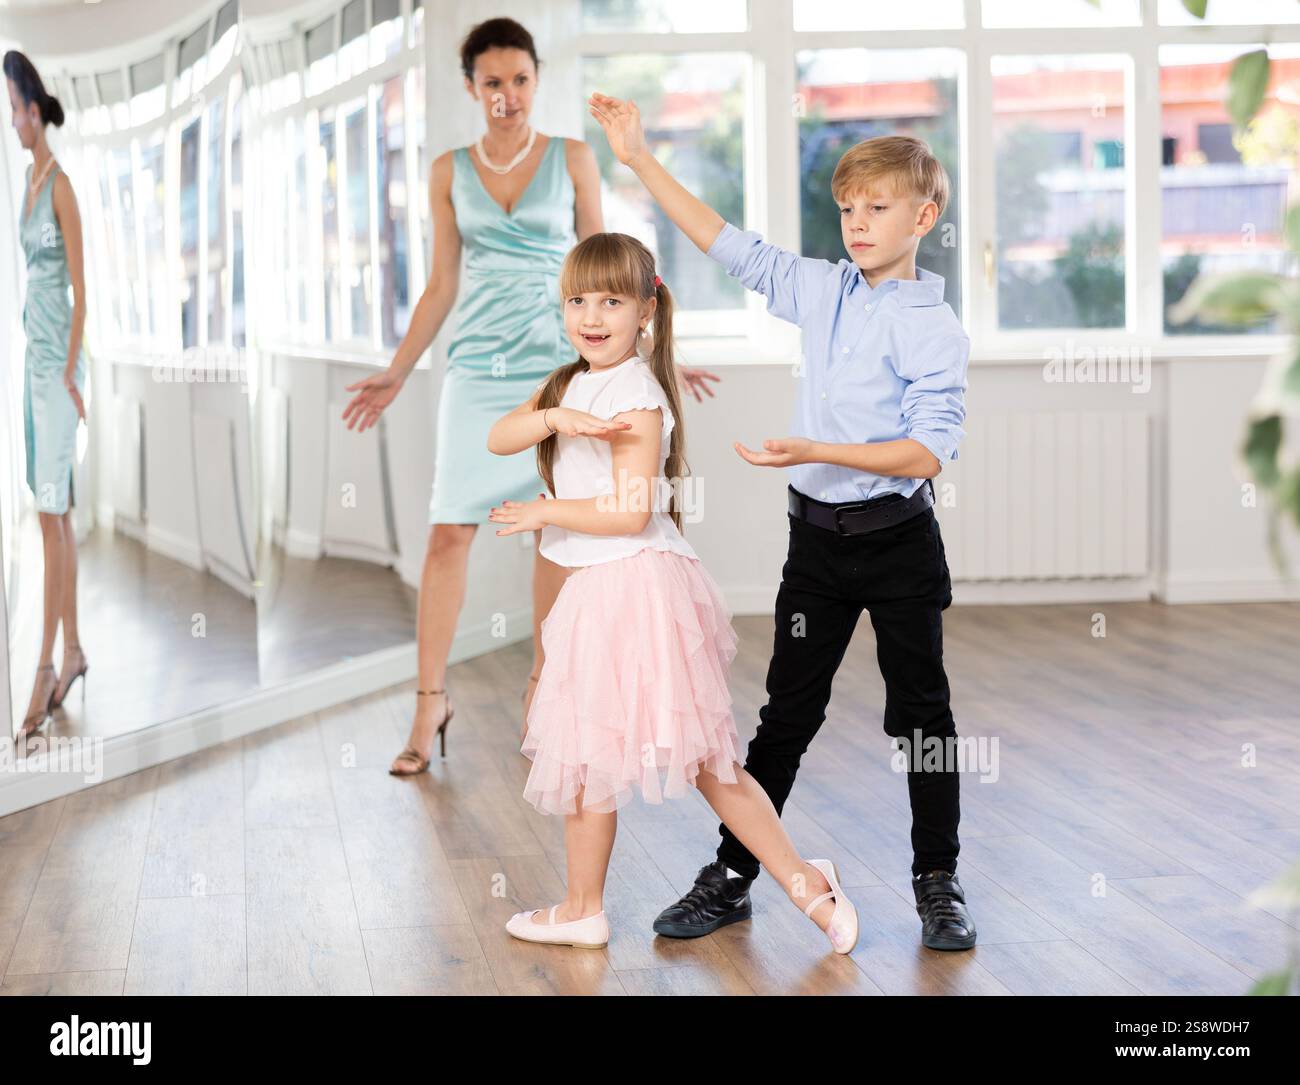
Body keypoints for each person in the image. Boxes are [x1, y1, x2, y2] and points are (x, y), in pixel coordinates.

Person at [588, 92, 978, 950]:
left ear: (924, 217)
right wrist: (639, 158)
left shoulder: (935, 328)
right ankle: (731, 876)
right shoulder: (822, 288)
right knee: (785, 716)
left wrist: (816, 448)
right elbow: (726, 243)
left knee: (924, 718)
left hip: (899, 543)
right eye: (847, 208)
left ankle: (938, 881)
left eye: (877, 208)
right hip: (817, 547)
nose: (857, 223)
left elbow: (925, 453)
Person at [338, 18, 718, 774]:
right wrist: (397, 368)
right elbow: (441, 282)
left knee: (556, 530)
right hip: (477, 368)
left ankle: (544, 688)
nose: (507, 96)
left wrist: (658, 344)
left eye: (519, 80)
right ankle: (428, 700)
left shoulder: (572, 157)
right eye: (492, 83)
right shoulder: (447, 171)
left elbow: (606, 267)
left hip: (555, 365)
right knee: (449, 531)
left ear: (536, 80)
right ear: (471, 88)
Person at [486, 232, 857, 952]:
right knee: (587, 753)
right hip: (600, 589)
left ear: (645, 310)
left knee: (707, 761)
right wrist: (553, 417)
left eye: (611, 301)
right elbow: (501, 436)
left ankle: (807, 882)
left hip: (637, 588)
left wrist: (545, 511)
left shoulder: (637, 394)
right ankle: (583, 907)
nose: (591, 316)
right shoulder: (567, 385)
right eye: (577, 300)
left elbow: (630, 513)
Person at [5, 50, 89, 735]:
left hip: (57, 375)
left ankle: (42, 668)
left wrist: (68, 375)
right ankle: (75, 651)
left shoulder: (60, 186)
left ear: (34, 111)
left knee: (51, 515)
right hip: (34, 369)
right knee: (53, 516)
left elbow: (82, 292)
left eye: (14, 110)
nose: (10, 122)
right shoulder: (28, 184)